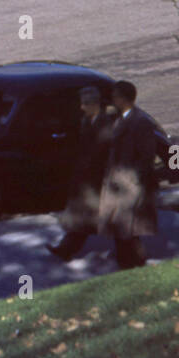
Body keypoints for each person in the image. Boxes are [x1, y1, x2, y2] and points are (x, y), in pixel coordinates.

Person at [48, 87, 115, 262]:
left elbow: (102, 154)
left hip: (96, 180)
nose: (82, 107)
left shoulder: (105, 124)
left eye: (85, 104)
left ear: (95, 104)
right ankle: (65, 249)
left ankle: (66, 249)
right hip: (86, 180)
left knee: (95, 219)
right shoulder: (86, 121)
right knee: (85, 220)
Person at [98, 80, 160, 269]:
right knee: (121, 226)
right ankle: (126, 260)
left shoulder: (140, 122)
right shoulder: (119, 118)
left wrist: (134, 181)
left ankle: (132, 262)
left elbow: (147, 156)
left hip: (129, 182)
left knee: (128, 227)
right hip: (116, 179)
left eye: (115, 96)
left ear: (124, 98)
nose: (112, 100)